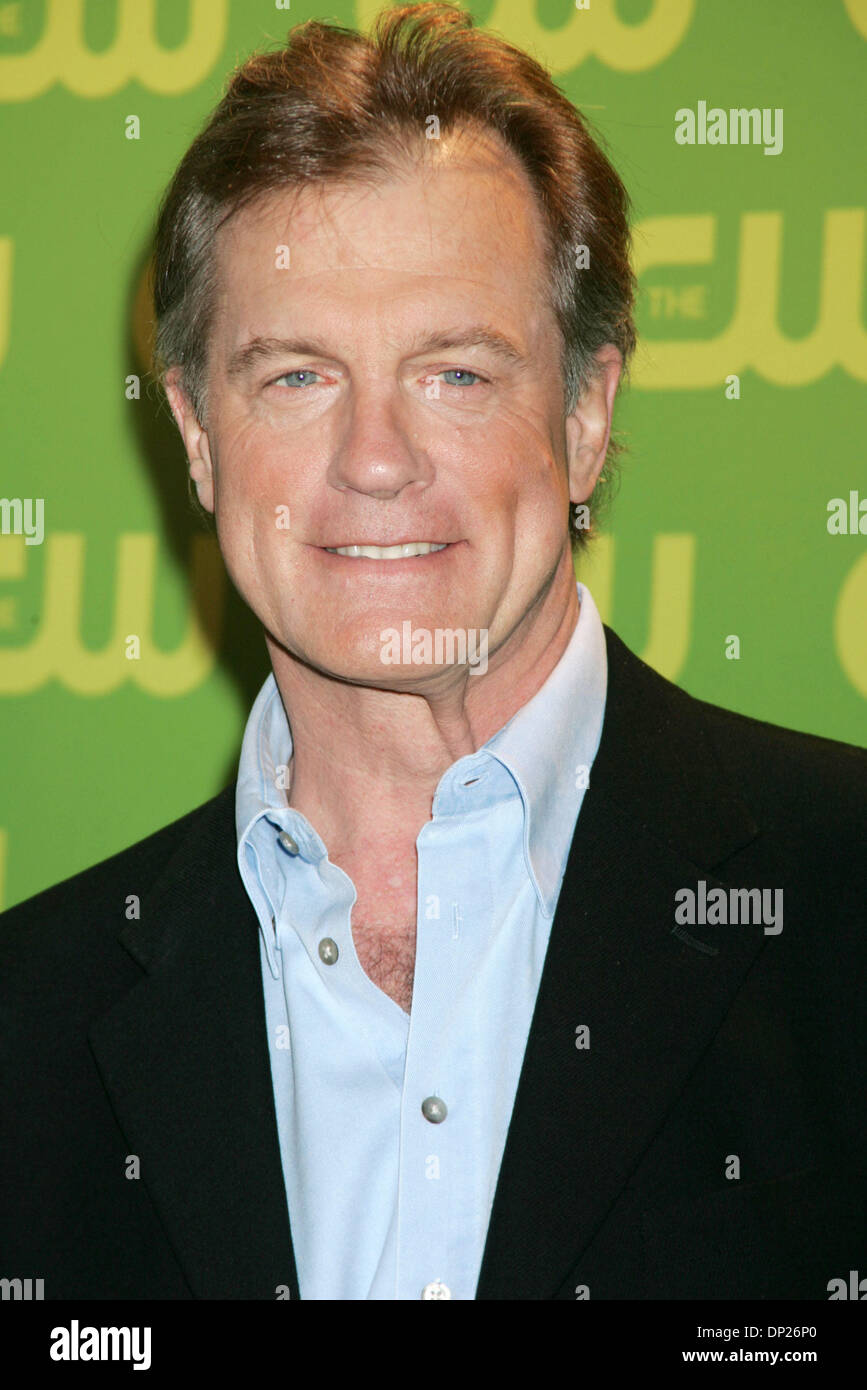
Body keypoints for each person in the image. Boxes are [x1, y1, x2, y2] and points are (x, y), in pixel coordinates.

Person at [1, 3, 864, 1302]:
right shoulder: (28, 1014)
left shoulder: (844, 895)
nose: (377, 458)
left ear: (585, 413)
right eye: (297, 375)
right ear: (194, 437)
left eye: (456, 372)